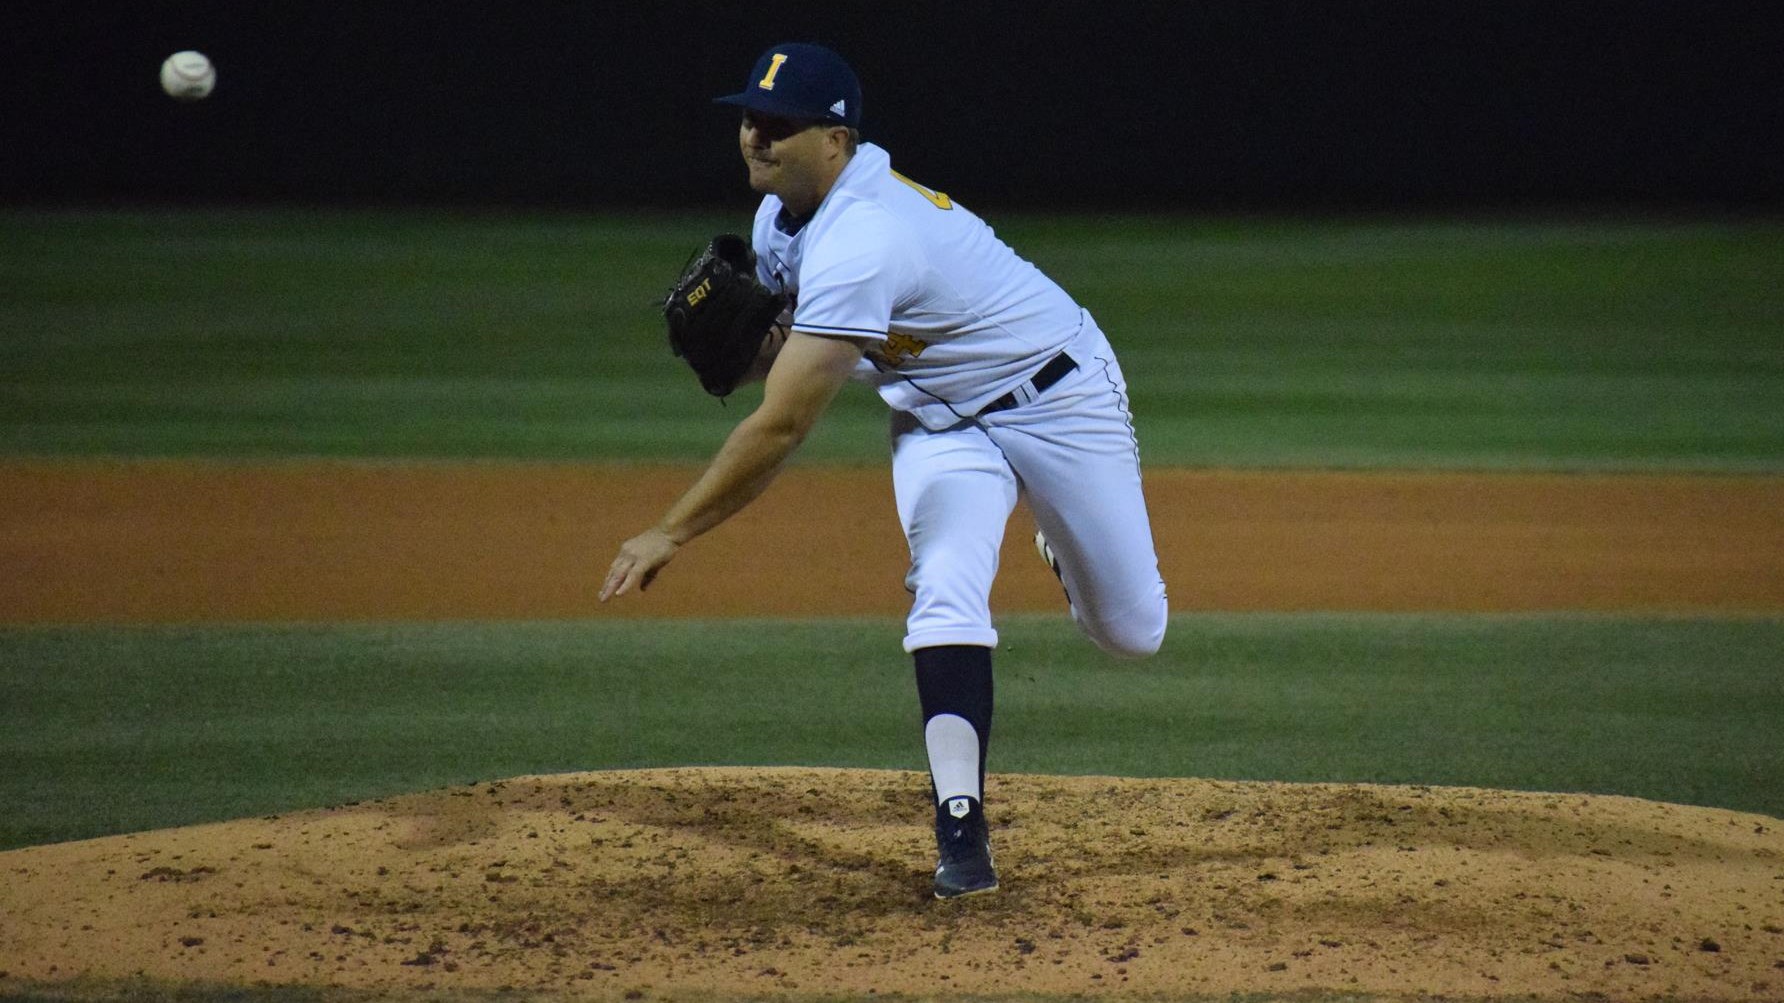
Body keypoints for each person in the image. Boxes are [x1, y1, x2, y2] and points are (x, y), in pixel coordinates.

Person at [600, 42, 1168, 900]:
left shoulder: (865, 235)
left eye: (779, 124)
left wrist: (671, 526)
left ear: (836, 138)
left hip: (1057, 396)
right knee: (943, 584)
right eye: (749, 117)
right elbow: (797, 357)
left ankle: (1056, 532)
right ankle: (963, 839)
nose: (756, 136)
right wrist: (757, 345)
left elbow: (784, 421)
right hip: (941, 420)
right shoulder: (776, 224)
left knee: (1134, 631)